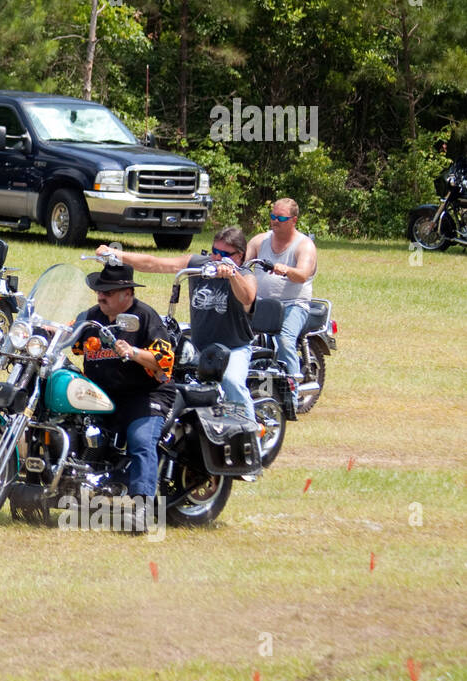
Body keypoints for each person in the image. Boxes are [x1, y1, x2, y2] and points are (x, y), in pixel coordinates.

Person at [98, 226, 257, 419]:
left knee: (231, 381)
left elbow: (248, 297)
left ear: (239, 256)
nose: (216, 258)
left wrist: (232, 274)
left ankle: (250, 431)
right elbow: (154, 263)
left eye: (224, 254)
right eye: (215, 252)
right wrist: (117, 254)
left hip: (234, 348)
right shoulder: (198, 264)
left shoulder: (245, 273)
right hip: (199, 347)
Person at [74, 261, 175, 513]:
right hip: (101, 394)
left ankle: (142, 507)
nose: (101, 296)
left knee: (140, 441)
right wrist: (43, 329)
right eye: (99, 290)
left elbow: (165, 362)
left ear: (127, 294)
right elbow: (70, 334)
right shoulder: (93, 316)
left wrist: (134, 352)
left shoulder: (144, 316)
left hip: (143, 393)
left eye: (107, 292)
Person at [246, 198, 317, 388]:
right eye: (272, 216)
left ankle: (291, 393)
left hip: (293, 304)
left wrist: (286, 269)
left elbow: (303, 274)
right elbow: (242, 262)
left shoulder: (304, 245)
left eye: (280, 218)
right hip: (261, 302)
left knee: (284, 340)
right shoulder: (260, 241)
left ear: (293, 220)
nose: (275, 221)